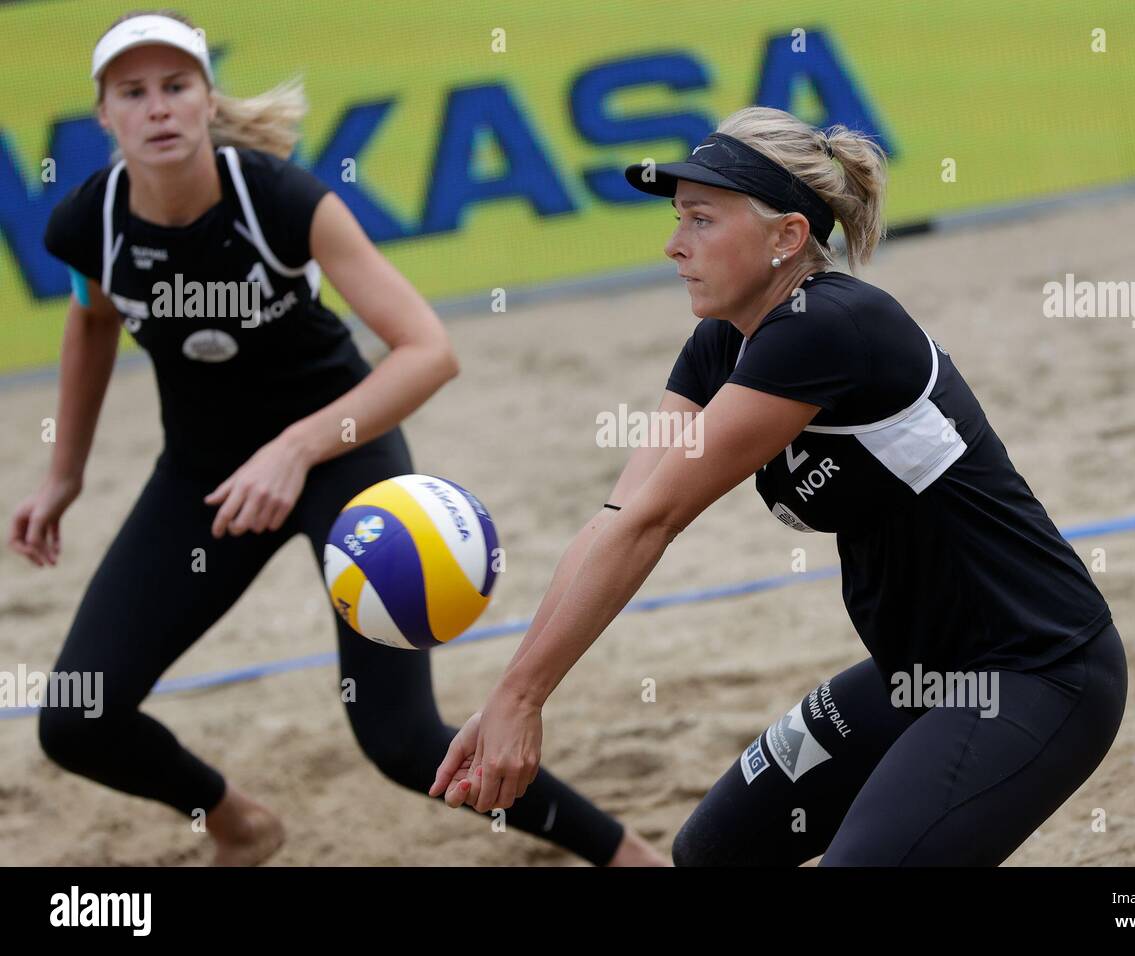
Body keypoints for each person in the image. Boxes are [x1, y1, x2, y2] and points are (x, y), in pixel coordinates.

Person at [12, 10, 663, 867]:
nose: (158, 108)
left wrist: (295, 449)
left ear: (208, 100)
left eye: (176, 86)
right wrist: (65, 475)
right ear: (104, 115)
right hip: (206, 476)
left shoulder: (277, 199)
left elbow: (429, 351)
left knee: (398, 740)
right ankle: (241, 823)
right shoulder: (89, 222)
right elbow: (92, 321)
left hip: (344, 457)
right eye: (133, 93)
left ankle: (627, 857)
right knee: (77, 719)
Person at [431, 106, 1127, 866]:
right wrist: (507, 695)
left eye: (701, 219)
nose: (672, 245)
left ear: (788, 237)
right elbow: (617, 517)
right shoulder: (719, 345)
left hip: (1037, 672)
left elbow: (653, 524)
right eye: (676, 219)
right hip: (916, 678)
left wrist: (525, 699)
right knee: (710, 854)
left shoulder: (830, 325)